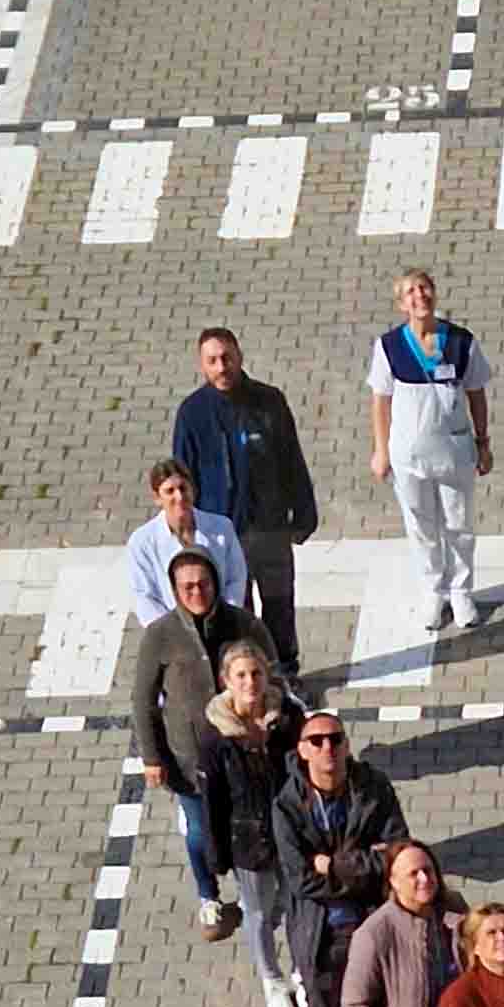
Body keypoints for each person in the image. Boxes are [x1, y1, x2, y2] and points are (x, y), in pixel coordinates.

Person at [273, 713, 409, 1007]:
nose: (328, 748)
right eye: (318, 741)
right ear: (303, 750)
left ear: (347, 745)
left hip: (373, 924)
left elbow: (397, 853)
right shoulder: (288, 806)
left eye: (336, 739)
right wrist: (362, 865)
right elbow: (300, 882)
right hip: (321, 935)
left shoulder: (372, 789)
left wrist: (332, 864)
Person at [170, 323, 317, 672]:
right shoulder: (192, 413)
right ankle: (248, 674)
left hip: (269, 526)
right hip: (221, 531)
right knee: (237, 609)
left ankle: (286, 670)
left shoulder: (269, 401)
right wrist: (184, 526)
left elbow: (291, 459)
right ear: (202, 365)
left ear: (239, 357)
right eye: (213, 361)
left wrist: (305, 512)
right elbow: (182, 474)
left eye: (227, 358)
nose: (222, 367)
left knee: (279, 602)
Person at [133, 550, 259, 941]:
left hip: (241, 752)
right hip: (188, 759)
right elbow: (142, 699)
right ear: (174, 591)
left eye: (203, 583)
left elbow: (273, 676)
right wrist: (152, 757)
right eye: (187, 586)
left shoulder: (242, 625)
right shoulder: (159, 636)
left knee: (244, 825)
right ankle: (209, 895)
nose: (197, 592)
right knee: (200, 832)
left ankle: (252, 895)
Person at [367, 265, 492, 631]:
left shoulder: (461, 341)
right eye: (411, 292)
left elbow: (477, 392)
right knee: (421, 524)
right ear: (401, 304)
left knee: (459, 522)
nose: (420, 296)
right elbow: (381, 400)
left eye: (424, 288)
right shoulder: (389, 347)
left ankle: (461, 590)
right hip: (408, 456)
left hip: (454, 451)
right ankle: (433, 590)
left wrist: (483, 442)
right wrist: (381, 449)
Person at [195, 636, 307, 1007]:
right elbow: (212, 799)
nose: (250, 681)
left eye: (256, 672)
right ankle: (272, 980)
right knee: (258, 913)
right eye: (240, 674)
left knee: (297, 904)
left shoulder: (288, 717)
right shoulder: (215, 737)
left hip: (293, 833)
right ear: (226, 680)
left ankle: (300, 971)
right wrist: (216, 855)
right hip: (249, 840)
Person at [340, 837, 467, 1007]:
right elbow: (356, 1003)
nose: (424, 878)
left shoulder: (454, 908)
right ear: (394, 881)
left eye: (429, 870)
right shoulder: (374, 934)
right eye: (413, 874)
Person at [125, 458, 251, 627]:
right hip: (171, 633)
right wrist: (172, 631)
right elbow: (144, 596)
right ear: (157, 498)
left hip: (221, 624)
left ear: (193, 490)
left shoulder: (222, 528)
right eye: (170, 491)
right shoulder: (141, 542)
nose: (179, 496)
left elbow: (236, 578)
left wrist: (224, 617)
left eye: (183, 488)